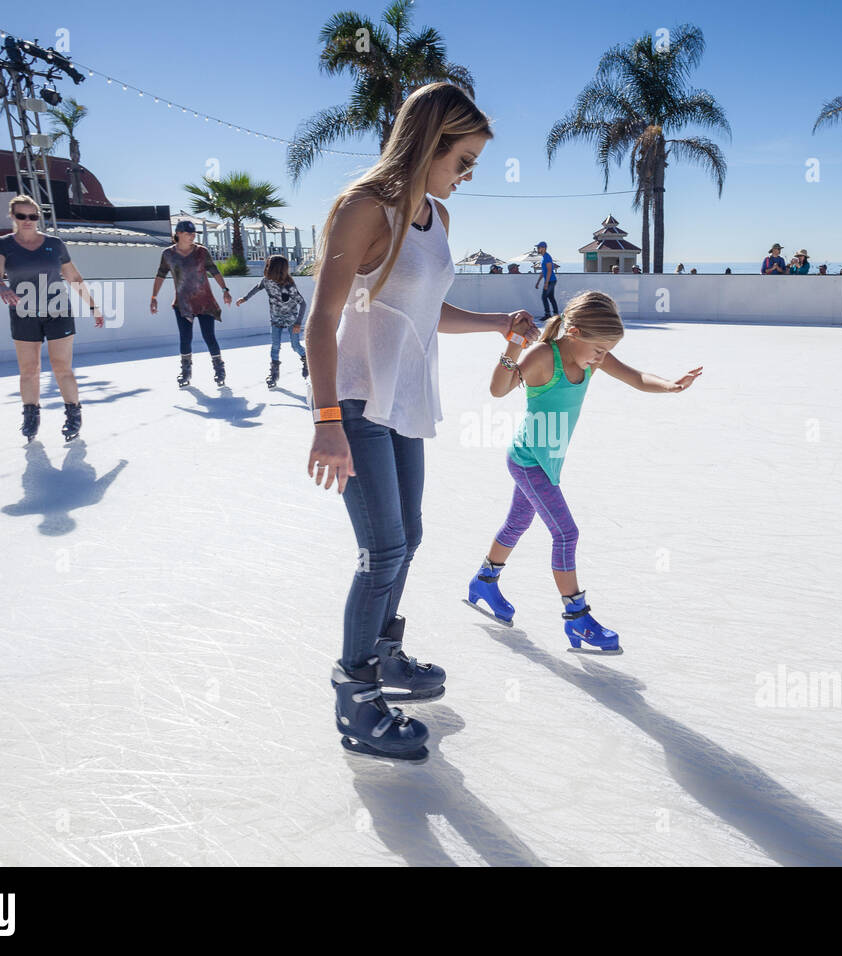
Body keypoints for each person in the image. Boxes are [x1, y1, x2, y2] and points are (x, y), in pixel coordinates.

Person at [305, 82, 537, 762]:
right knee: (382, 549)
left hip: (405, 400)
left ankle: (383, 656)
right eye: (462, 161)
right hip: (356, 400)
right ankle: (356, 696)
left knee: (408, 538)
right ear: (430, 144)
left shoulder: (437, 216)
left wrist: (495, 323)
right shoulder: (363, 208)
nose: (467, 176)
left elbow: (428, 309)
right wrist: (325, 420)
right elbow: (321, 318)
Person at [466, 291, 702, 651]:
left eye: (607, 351)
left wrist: (670, 385)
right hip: (529, 460)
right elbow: (499, 389)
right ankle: (576, 618)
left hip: (546, 462)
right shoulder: (544, 356)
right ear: (574, 333)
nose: (602, 357)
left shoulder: (591, 358)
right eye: (599, 350)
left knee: (517, 523)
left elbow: (636, 378)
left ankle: (484, 581)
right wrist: (514, 343)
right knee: (566, 533)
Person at [0, 194, 104, 442]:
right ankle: (31, 415)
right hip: (23, 313)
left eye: (33, 216)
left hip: (58, 311)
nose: (27, 220)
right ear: (12, 216)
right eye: (21, 215)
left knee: (61, 367)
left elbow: (74, 277)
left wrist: (93, 307)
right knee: (29, 369)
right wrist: (0, 285)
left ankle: (73, 413)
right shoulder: (2, 244)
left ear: (38, 217)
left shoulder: (55, 244)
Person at [152, 220, 233, 389]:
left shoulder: (201, 252)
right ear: (178, 234)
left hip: (204, 302)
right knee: (185, 338)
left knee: (209, 336)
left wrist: (225, 290)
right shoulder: (168, 254)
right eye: (188, 233)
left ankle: (219, 369)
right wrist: (154, 297)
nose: (192, 236)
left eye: (194, 233)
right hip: (182, 304)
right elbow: (160, 275)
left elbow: (214, 271)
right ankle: (186, 371)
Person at [236, 254, 308, 387]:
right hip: (275, 319)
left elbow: (303, 304)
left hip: (292, 320)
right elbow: (257, 288)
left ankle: (306, 361)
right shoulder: (266, 281)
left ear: (277, 268)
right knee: (275, 346)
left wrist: (298, 323)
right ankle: (274, 374)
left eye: (269, 265)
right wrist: (245, 298)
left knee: (295, 346)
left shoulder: (289, 286)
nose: (266, 268)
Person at [534, 241, 558, 318]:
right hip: (550, 281)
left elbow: (549, 270)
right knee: (551, 297)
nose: (537, 249)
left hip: (551, 281)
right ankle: (555, 314)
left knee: (544, 297)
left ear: (544, 248)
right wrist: (538, 282)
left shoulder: (547, 257)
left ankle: (548, 314)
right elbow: (543, 271)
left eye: (539, 247)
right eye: (537, 247)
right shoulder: (544, 258)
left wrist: (546, 283)